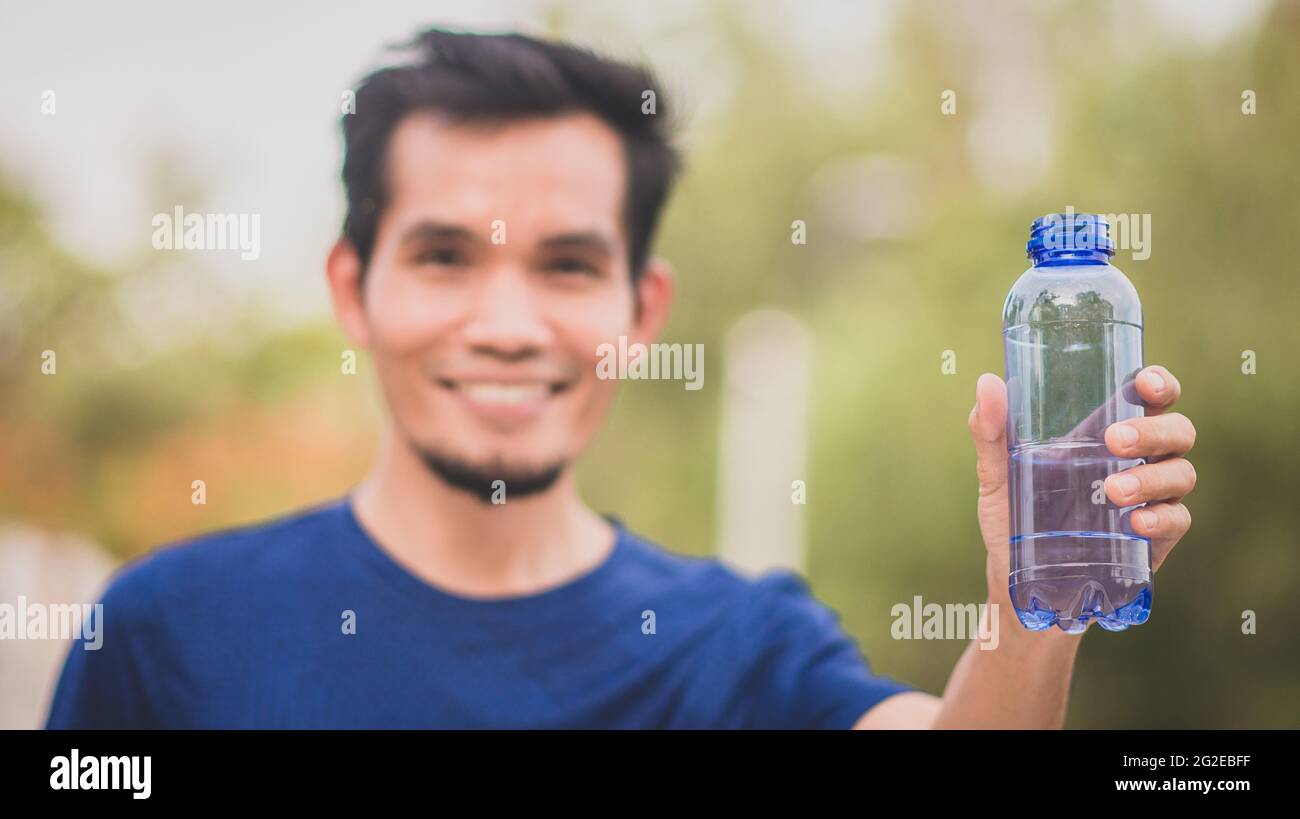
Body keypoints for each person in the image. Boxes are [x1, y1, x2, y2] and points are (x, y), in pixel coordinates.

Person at [46, 27, 1197, 729]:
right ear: (353, 287)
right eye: (445, 256)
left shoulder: (739, 651)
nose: (505, 324)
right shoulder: (162, 636)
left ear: (639, 312)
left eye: (566, 264)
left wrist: (1036, 603)